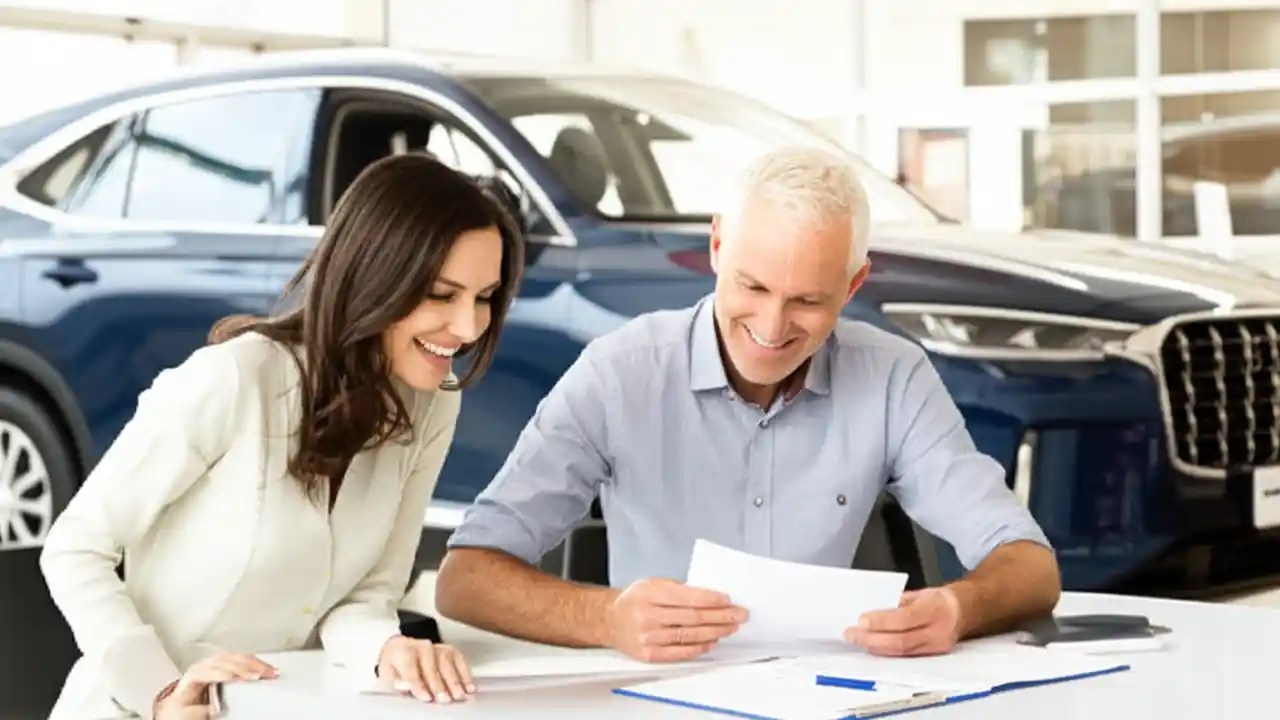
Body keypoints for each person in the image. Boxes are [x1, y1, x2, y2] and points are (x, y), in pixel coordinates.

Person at [435, 145, 1061, 662]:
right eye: (752, 285)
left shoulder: (893, 377)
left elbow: (1030, 565)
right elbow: (465, 579)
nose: (771, 324)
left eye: (808, 301)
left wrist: (957, 608)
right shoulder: (619, 373)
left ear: (853, 284)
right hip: (661, 700)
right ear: (716, 249)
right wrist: (607, 618)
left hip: (831, 697)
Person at [40, 153, 524, 719]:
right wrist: (160, 691)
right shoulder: (235, 379)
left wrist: (386, 649)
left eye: (485, 296)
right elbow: (76, 548)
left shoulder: (433, 405)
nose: (468, 328)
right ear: (374, 276)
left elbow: (367, 595)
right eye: (442, 295)